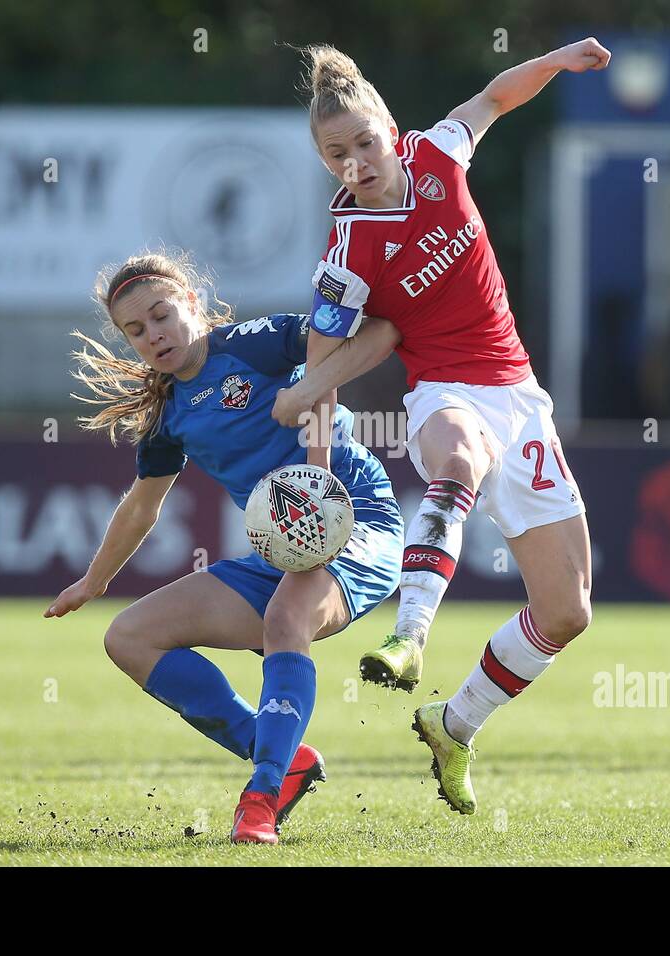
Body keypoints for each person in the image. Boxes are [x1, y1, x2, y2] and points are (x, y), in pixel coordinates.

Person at [271, 39, 610, 813]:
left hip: (519, 394)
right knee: (456, 459)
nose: (355, 159)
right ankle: (410, 634)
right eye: (336, 153)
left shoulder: (438, 154)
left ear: (391, 129)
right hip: (442, 390)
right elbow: (323, 367)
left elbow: (493, 95)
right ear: (325, 163)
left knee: (568, 611)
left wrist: (558, 59)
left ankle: (454, 724)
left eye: (364, 141)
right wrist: (317, 474)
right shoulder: (347, 254)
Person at [45, 251, 403, 842]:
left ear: (192, 303)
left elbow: (372, 335)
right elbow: (142, 505)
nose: (153, 335)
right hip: (285, 549)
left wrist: (315, 476)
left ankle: (259, 797)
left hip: (355, 520)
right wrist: (94, 582)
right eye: (136, 330)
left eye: (161, 315)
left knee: (287, 619)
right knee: (129, 638)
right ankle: (282, 758)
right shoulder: (169, 413)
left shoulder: (254, 344)